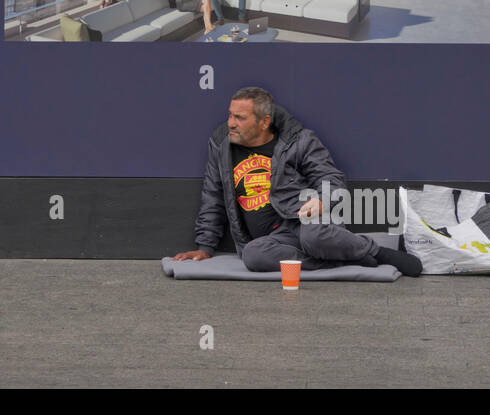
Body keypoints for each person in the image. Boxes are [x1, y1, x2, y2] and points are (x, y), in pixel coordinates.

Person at [171, 87, 422, 276]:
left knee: (314, 237)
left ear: (264, 122)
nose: (231, 124)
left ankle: (377, 252)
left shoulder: (298, 140)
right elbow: (212, 196)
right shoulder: (221, 145)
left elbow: (331, 178)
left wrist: (322, 201)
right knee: (253, 256)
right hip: (272, 241)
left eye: (240, 118)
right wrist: (204, 246)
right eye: (230, 115)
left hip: (305, 223)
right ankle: (344, 260)